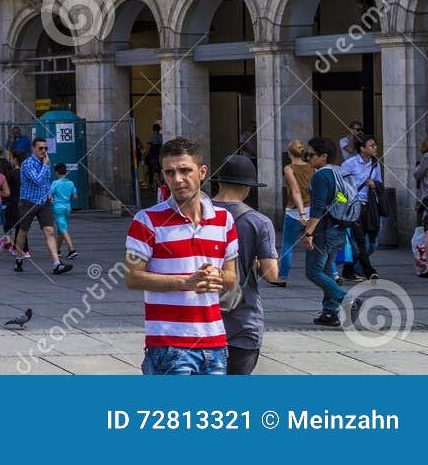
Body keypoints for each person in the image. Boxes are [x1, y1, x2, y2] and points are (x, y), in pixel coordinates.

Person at [123, 137, 239, 375]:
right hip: (169, 345)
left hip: (215, 344)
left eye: (185, 170)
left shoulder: (224, 220)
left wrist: (217, 276)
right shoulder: (146, 220)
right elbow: (132, 277)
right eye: (169, 172)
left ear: (202, 172)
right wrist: (186, 282)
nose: (177, 179)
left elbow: (231, 279)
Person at [213, 155, 278, 375]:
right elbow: (272, 274)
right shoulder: (258, 221)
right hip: (241, 320)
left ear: (219, 183)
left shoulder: (197, 214)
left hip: (200, 321)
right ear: (248, 188)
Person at [300, 137, 358, 327]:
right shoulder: (340, 172)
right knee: (327, 269)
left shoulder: (321, 176)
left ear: (323, 156)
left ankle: (348, 299)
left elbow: (317, 208)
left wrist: (308, 233)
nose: (308, 158)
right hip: (339, 227)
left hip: (324, 231)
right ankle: (330, 313)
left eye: (310, 154)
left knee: (313, 271)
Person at [11, 137, 69, 274]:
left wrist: (49, 193)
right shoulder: (28, 164)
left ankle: (56, 263)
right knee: (23, 231)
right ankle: (19, 258)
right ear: (33, 149)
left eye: (45, 148)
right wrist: (46, 165)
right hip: (28, 202)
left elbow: (45, 182)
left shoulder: (45, 163)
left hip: (43, 202)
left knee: (49, 231)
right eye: (40, 148)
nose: (44, 151)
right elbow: (37, 180)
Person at [339, 134, 383, 280]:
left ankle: (349, 269)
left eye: (375, 145)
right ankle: (369, 271)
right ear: (362, 148)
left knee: (373, 243)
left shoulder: (376, 164)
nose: (375, 148)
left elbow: (380, 185)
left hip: (371, 207)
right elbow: (340, 185)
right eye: (372, 145)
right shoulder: (349, 164)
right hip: (355, 207)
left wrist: (374, 185)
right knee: (360, 243)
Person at [277, 140, 312, 284]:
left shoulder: (289, 168)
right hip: (312, 208)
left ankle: (282, 276)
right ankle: (333, 273)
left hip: (295, 210)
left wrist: (301, 212)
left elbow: (295, 190)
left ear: (289, 153)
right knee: (318, 243)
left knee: (288, 245)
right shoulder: (311, 167)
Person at [49, 163, 77, 259]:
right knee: (61, 229)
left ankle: (72, 249)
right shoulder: (71, 183)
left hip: (58, 208)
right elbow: (75, 196)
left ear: (56, 172)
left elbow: (49, 195)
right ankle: (57, 250)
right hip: (67, 208)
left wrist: (53, 199)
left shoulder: (55, 183)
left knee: (63, 229)